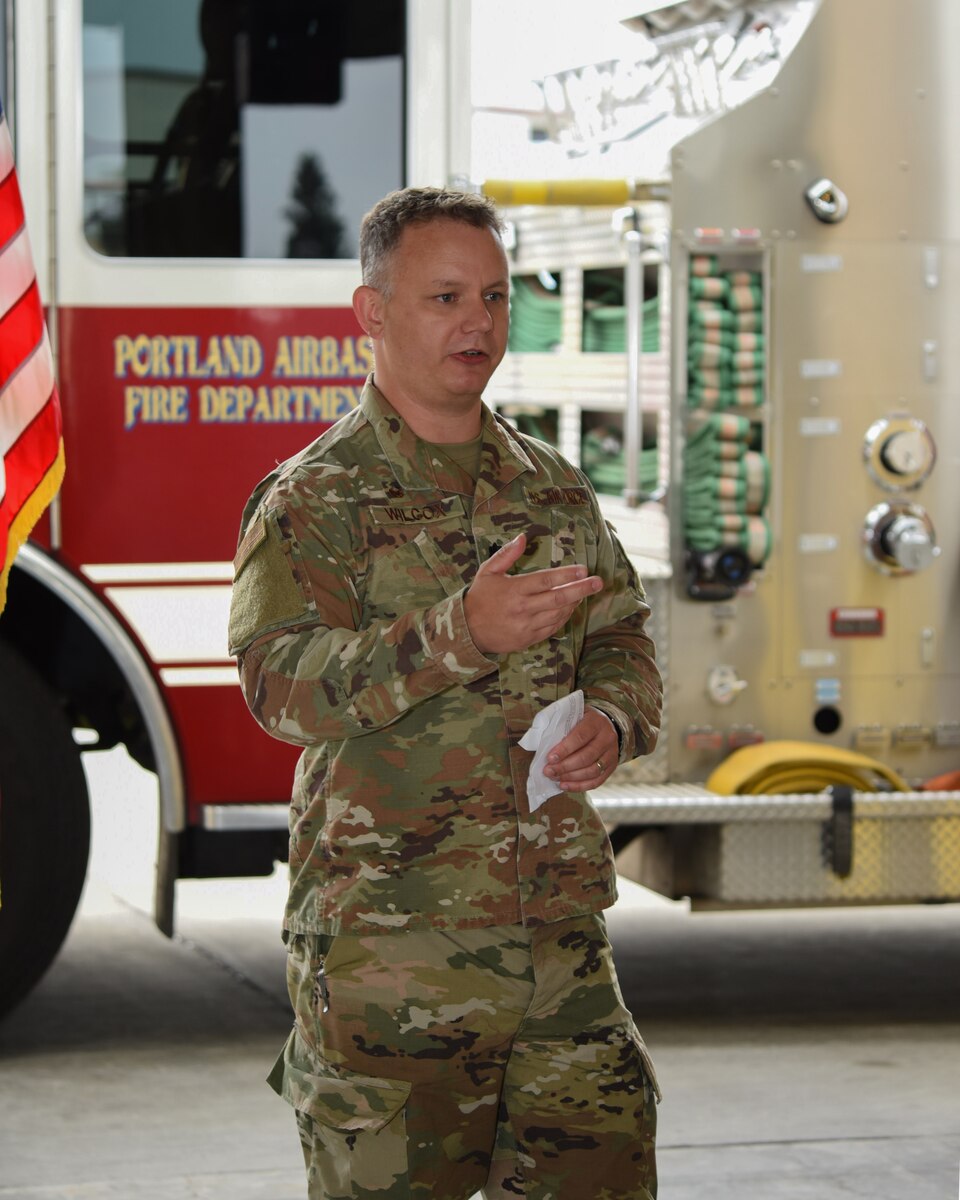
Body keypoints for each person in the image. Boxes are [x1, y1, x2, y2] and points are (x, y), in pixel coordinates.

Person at [228, 187, 663, 1200]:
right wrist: (456, 634)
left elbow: (624, 636)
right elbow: (278, 686)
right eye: (446, 297)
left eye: (497, 297)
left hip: (558, 944)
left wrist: (612, 719)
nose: (479, 322)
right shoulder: (313, 499)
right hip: (392, 953)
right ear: (372, 313)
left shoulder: (553, 487)